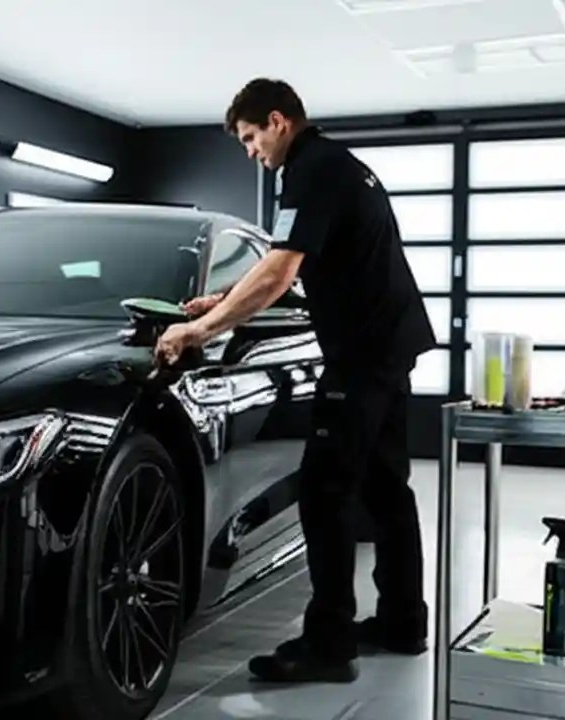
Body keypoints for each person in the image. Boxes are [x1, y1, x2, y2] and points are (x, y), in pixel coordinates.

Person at [154, 78, 437, 683]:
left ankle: (329, 646)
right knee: (388, 488)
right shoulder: (339, 165)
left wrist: (198, 334)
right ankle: (402, 621)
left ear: (279, 122)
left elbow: (280, 273)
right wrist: (224, 298)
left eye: (252, 137)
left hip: (362, 353)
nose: (251, 152)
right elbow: (294, 262)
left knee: (326, 492)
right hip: (390, 344)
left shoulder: (310, 171)